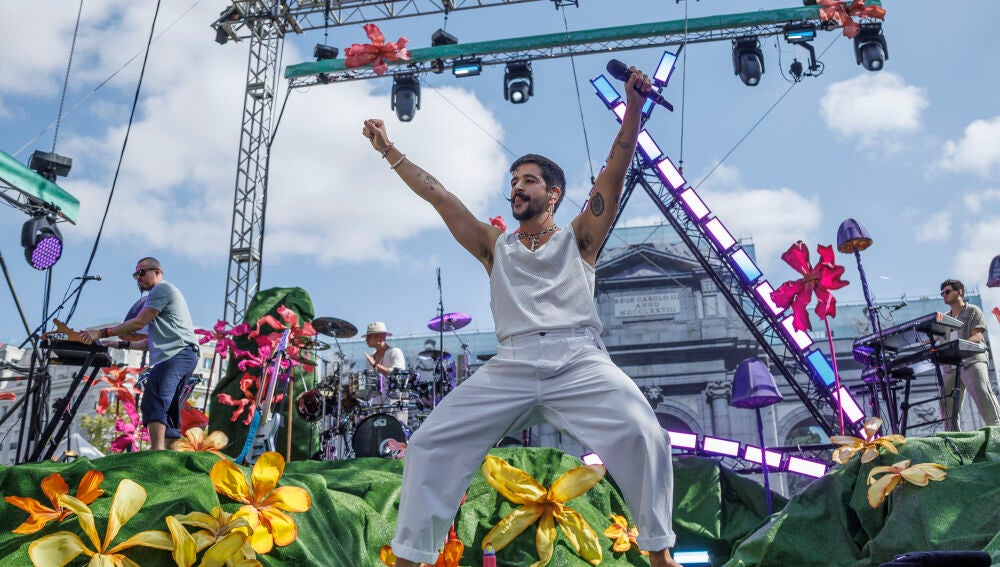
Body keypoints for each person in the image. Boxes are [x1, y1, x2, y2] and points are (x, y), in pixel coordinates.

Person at [361, 65, 680, 567]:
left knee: (644, 433)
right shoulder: (496, 247)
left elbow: (614, 173)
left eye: (529, 181)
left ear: (553, 193)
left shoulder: (580, 238)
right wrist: (389, 151)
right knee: (427, 444)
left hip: (578, 358)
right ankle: (411, 558)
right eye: (514, 181)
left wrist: (634, 109)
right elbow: (440, 197)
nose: (518, 188)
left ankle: (659, 554)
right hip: (512, 362)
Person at [81, 257, 199, 450]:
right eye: (135, 275)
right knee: (169, 408)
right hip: (183, 354)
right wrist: (118, 344)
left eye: (142, 273)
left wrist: (101, 332)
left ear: (158, 272)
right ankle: (170, 456)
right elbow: (149, 343)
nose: (138, 278)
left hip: (177, 354)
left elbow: (139, 322)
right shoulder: (162, 300)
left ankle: (156, 451)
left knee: (154, 399)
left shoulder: (161, 289)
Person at [938, 279, 1000, 430]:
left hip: (971, 359)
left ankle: (997, 429)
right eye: (942, 293)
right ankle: (953, 438)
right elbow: (933, 338)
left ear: (960, 292)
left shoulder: (973, 311)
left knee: (982, 393)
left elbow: (977, 337)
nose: (943, 295)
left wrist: (957, 348)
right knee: (945, 401)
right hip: (951, 365)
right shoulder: (944, 318)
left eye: (947, 291)